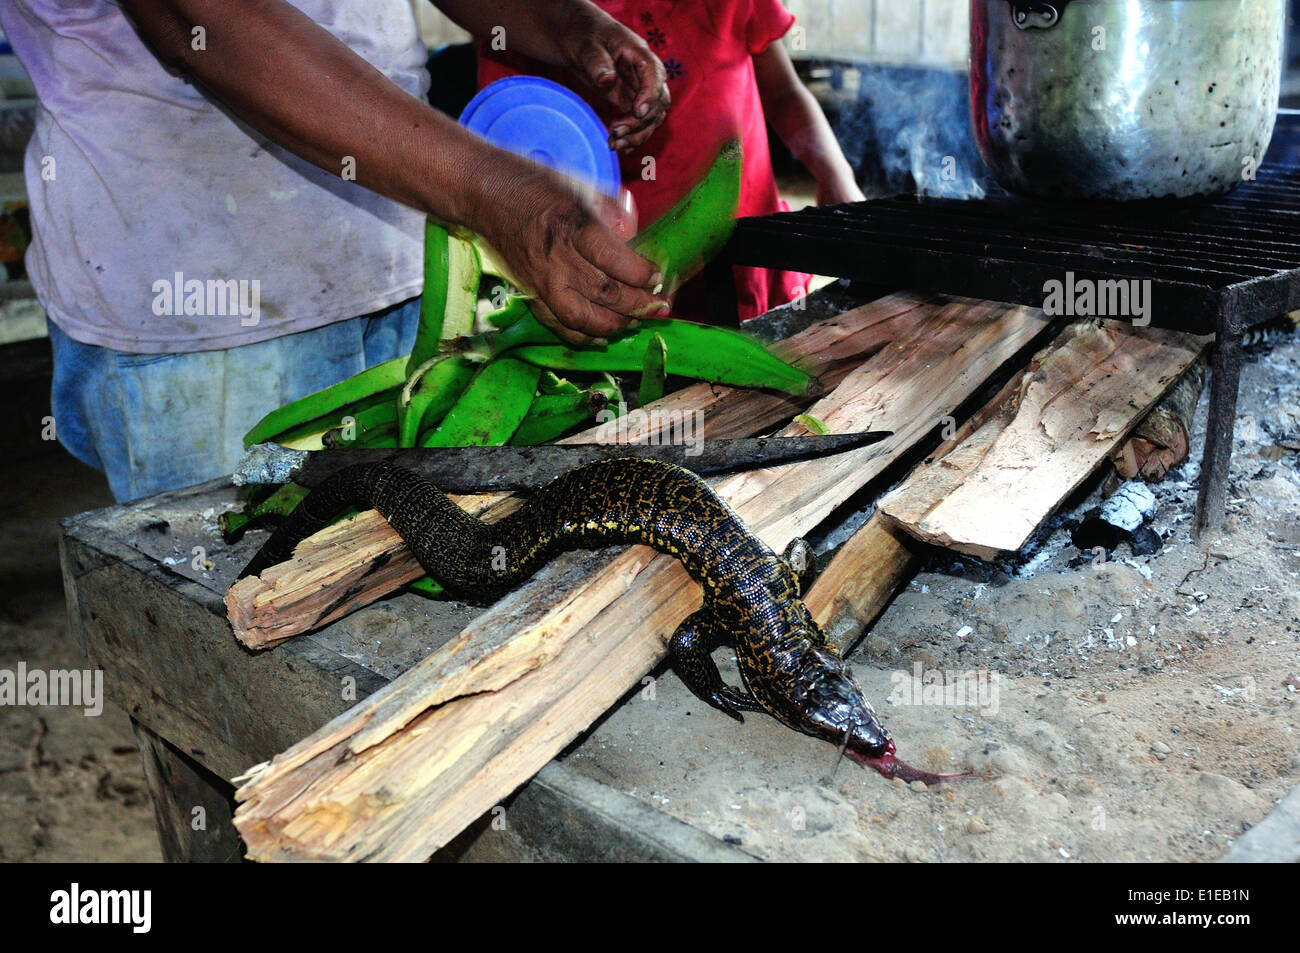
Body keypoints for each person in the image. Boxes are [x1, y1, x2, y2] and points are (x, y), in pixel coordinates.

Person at [1, 0, 670, 502]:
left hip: (399, 256)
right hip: (202, 311)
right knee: (240, 616)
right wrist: (490, 190)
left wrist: (559, 20)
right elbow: (197, 17)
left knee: (405, 605)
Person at [478, 0, 865, 322]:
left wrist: (834, 174)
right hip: (623, 275)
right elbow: (508, 142)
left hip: (750, 251)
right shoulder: (525, 15)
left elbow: (784, 95)